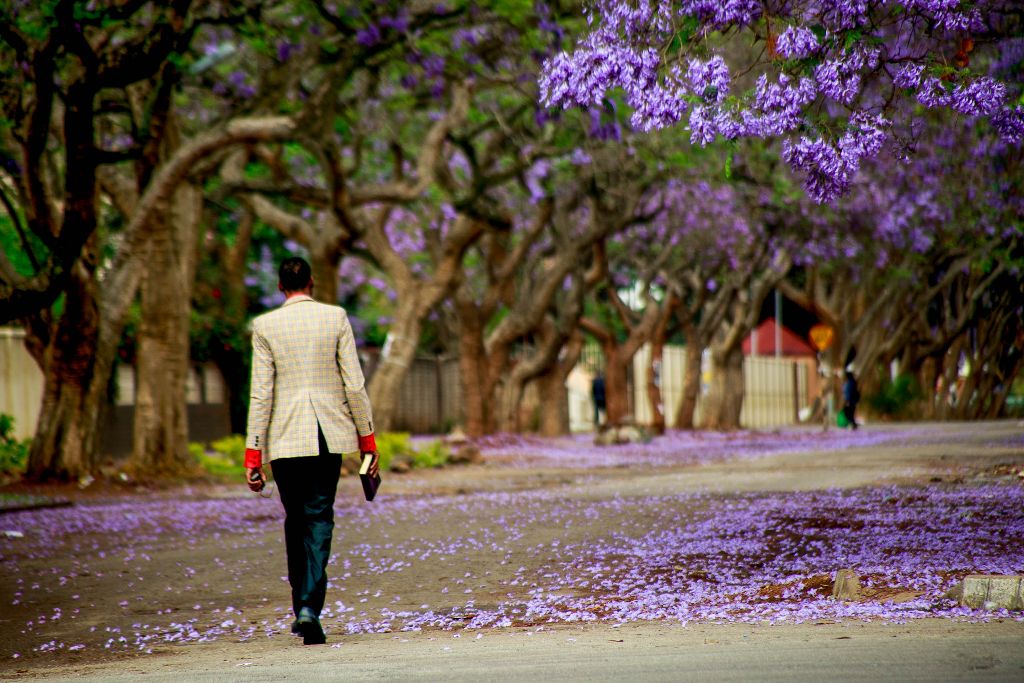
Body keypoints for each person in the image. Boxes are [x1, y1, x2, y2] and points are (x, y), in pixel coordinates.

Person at [244, 256, 380, 645]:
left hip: (284, 438)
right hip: (327, 434)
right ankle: (309, 607)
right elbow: (354, 384)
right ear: (312, 282)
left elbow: (261, 393)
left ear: (280, 287)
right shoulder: (335, 317)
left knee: (295, 519)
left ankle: (302, 605)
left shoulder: (265, 325)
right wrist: (367, 439)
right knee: (319, 516)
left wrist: (253, 453)